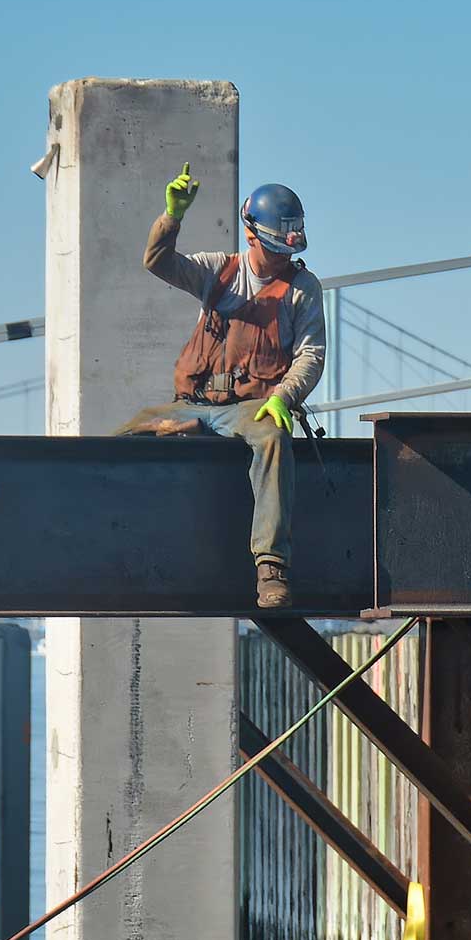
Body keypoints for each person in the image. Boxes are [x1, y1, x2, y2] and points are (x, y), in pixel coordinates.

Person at [114, 165, 326, 609]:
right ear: (252, 237)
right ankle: (115, 547)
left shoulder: (302, 289)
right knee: (127, 435)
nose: (283, 257)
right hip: (193, 405)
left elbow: (311, 355)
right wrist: (171, 218)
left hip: (252, 407)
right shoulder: (218, 271)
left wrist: (282, 398)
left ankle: (271, 568)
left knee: (272, 440)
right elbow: (158, 262)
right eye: (274, 249)